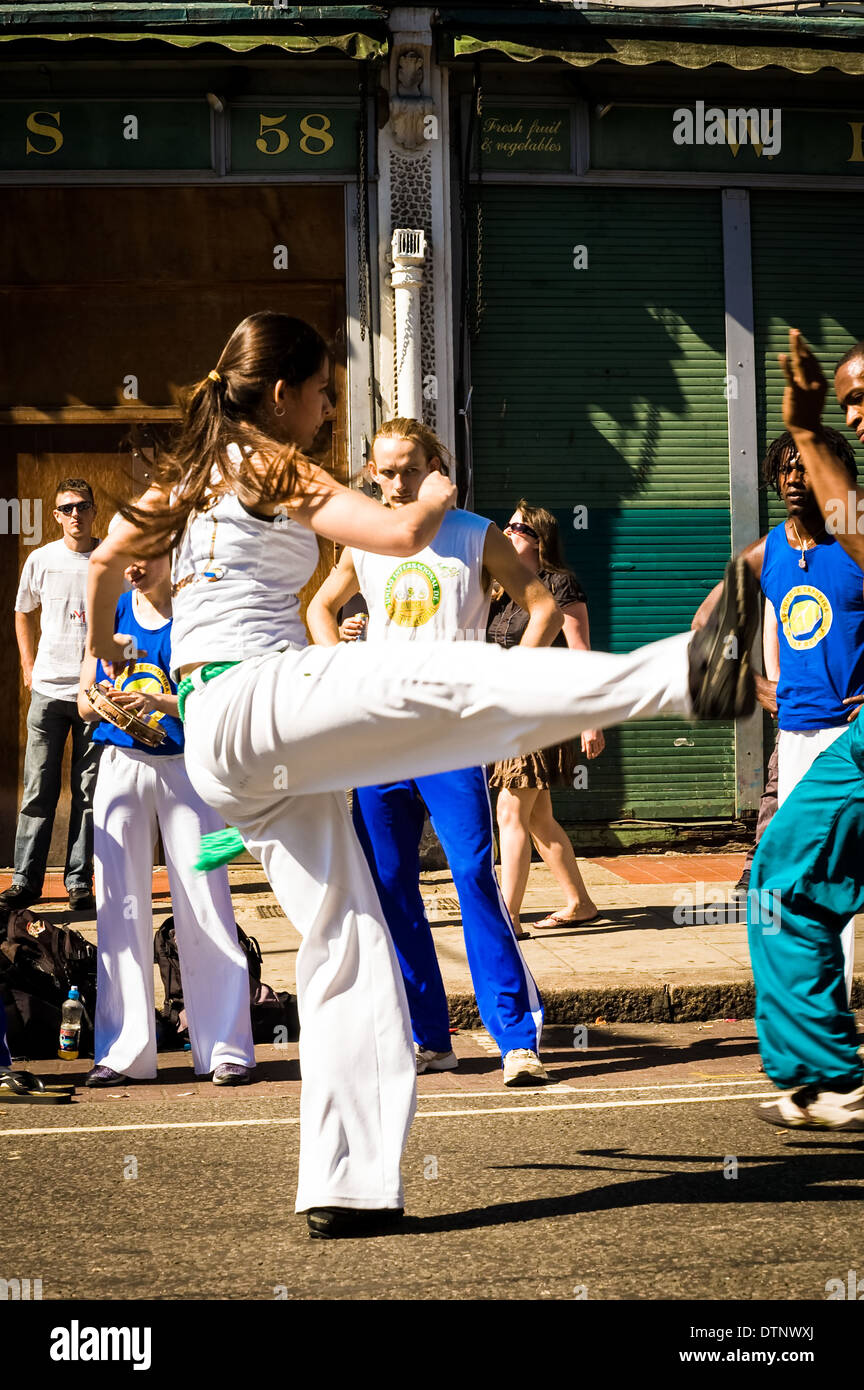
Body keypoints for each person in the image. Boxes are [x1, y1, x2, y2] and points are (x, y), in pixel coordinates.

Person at [86, 311, 757, 1238]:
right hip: (255, 699)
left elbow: (105, 564)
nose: (326, 415)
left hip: (227, 740)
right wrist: (436, 497)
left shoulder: (185, 475)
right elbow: (400, 535)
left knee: (347, 940)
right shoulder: (268, 459)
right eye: (322, 393)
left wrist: (92, 662)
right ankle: (687, 672)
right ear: (282, 391)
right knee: (443, 682)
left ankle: (347, 1184)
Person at [307, 420, 560, 1087]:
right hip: (381, 740)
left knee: (475, 877)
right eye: (384, 472)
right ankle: (430, 1037)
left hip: (451, 737)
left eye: (409, 469)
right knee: (391, 888)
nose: (395, 484)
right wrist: (344, 668)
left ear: (436, 467)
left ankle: (515, 1039)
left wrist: (507, 686)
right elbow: (320, 610)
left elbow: (543, 609)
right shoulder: (365, 538)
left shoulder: (472, 532)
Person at [694, 428, 862, 999]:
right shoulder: (768, 552)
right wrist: (755, 683)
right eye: (785, 468)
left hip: (853, 740)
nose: (793, 477)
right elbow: (704, 627)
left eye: (806, 467)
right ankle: (816, 1005)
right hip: (795, 739)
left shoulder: (856, 546)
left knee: (835, 876)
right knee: (798, 881)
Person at [78, 552, 256, 1089]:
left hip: (187, 767)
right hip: (120, 765)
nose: (131, 566)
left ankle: (227, 1048)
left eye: (143, 555)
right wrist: (106, 703)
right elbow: (83, 699)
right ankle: (123, 1051)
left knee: (206, 899)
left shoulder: (196, 613)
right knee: (117, 909)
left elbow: (215, 697)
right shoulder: (111, 611)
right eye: (124, 555)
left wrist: (161, 700)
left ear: (169, 556)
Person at [750, 329, 864, 1131]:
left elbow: (850, 520)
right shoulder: (770, 554)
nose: (855, 414)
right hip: (811, 736)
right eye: (849, 400)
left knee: (781, 886)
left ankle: (827, 1076)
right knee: (785, 884)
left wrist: (802, 425)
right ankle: (817, 1074)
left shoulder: (844, 522)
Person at [488, 503, 604, 936]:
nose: (507, 531)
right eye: (507, 524)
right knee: (538, 819)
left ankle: (509, 917)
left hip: (541, 713)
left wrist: (591, 720)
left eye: (518, 527)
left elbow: (581, 654)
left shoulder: (561, 585)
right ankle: (579, 902)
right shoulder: (501, 587)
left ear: (539, 539)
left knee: (510, 812)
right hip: (507, 712)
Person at [0, 480, 102, 913]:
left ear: (94, 511)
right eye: (66, 508)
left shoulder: (109, 557)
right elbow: (22, 610)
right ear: (56, 516)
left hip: (95, 693)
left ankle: (79, 880)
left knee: (88, 791)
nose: (75, 514)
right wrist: (27, 665)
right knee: (38, 788)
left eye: (82, 506)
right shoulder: (40, 559)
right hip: (47, 690)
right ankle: (26, 881)